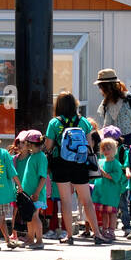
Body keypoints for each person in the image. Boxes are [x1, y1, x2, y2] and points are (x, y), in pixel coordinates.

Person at [45, 90, 104, 246]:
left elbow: (49, 146)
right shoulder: (83, 121)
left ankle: (69, 236)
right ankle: (97, 234)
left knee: (65, 201)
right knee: (87, 201)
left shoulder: (54, 123)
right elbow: (90, 144)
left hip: (61, 164)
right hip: (79, 164)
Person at [96, 68, 131, 148]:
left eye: (101, 86)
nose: (100, 89)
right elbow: (106, 126)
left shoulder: (130, 98)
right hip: (113, 143)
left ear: (109, 86)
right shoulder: (105, 103)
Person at [93, 137, 127, 242]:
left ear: (114, 150)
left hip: (112, 193)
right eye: (104, 149)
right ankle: (104, 230)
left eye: (109, 148)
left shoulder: (116, 164)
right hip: (102, 192)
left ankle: (111, 231)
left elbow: (116, 177)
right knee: (103, 212)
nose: (106, 151)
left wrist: (104, 174)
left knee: (112, 213)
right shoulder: (101, 161)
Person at [100, 124, 131, 234]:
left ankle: (127, 226)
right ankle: (108, 228)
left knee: (122, 205)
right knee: (108, 208)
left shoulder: (123, 150)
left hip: (120, 183)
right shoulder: (103, 155)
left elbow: (126, 164)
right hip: (107, 186)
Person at [20, 130, 49, 249]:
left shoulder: (40, 157)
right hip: (29, 194)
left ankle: (40, 240)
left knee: (34, 216)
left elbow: (43, 177)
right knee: (29, 216)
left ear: (30, 144)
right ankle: (31, 238)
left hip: (35, 194)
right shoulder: (34, 156)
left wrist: (37, 192)